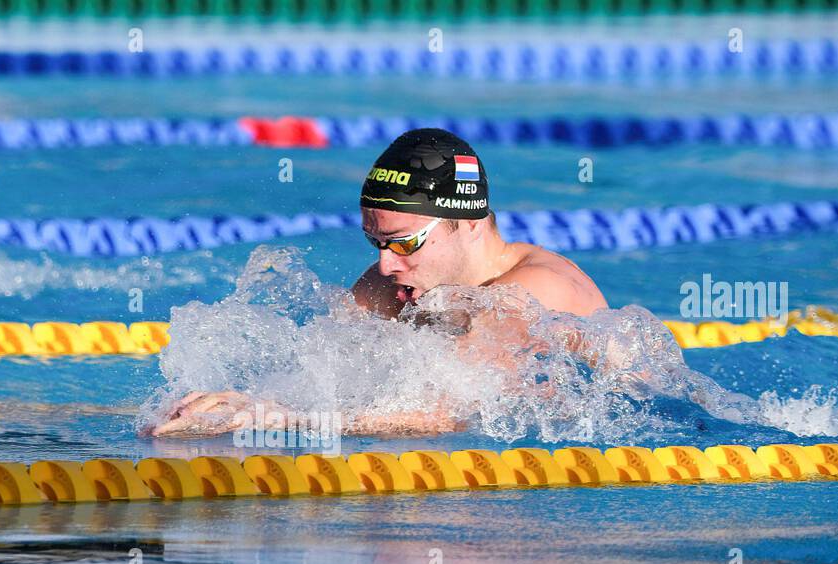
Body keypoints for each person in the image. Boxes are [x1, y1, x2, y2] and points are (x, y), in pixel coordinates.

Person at [147, 128, 610, 437]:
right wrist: (237, 406)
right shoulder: (399, 282)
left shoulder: (532, 293)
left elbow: (443, 411)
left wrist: (290, 421)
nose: (386, 265)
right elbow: (324, 368)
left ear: (466, 223)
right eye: (376, 244)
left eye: (403, 243)